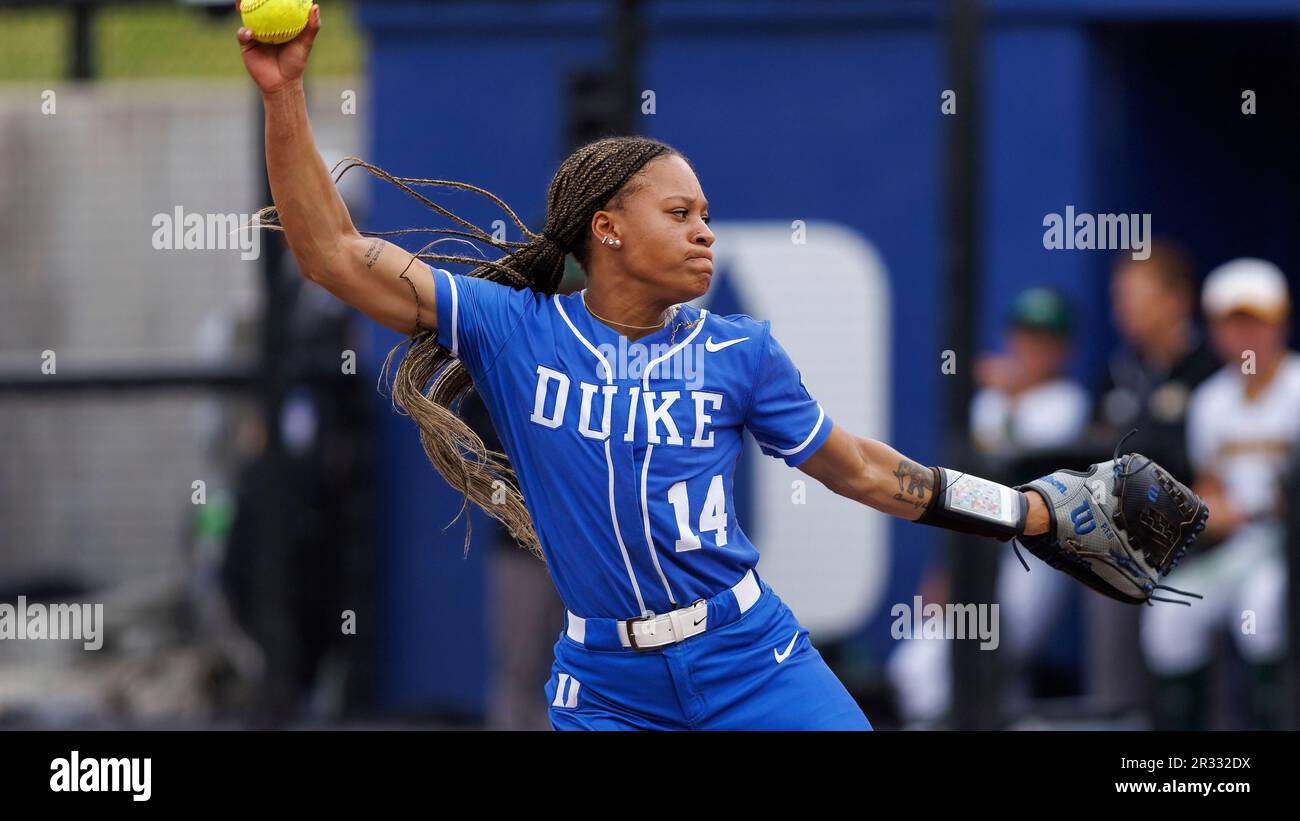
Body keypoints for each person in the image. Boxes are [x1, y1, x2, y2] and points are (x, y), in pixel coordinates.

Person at [237, 6, 1127, 730]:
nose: (704, 229)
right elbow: (334, 255)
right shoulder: (514, 328)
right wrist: (285, 98)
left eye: (707, 212)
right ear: (609, 227)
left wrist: (1026, 510)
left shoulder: (740, 350)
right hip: (610, 686)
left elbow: (862, 470)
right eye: (680, 211)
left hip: (752, 658)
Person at [1140, 258, 1299, 730]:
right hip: (1238, 547)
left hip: (1288, 549)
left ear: (1281, 323)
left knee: (1263, 609)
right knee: (1170, 614)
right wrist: (1209, 511)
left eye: (1256, 322)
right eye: (1233, 323)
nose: (1246, 337)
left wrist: (1263, 508)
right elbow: (1208, 483)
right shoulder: (1210, 401)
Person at [1088, 241, 1222, 721]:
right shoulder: (1117, 373)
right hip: (1129, 533)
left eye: (1134, 297)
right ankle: (1120, 715)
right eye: (1118, 298)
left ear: (1176, 300)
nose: (1122, 311)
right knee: (1093, 557)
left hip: (1208, 530)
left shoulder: (1213, 370)